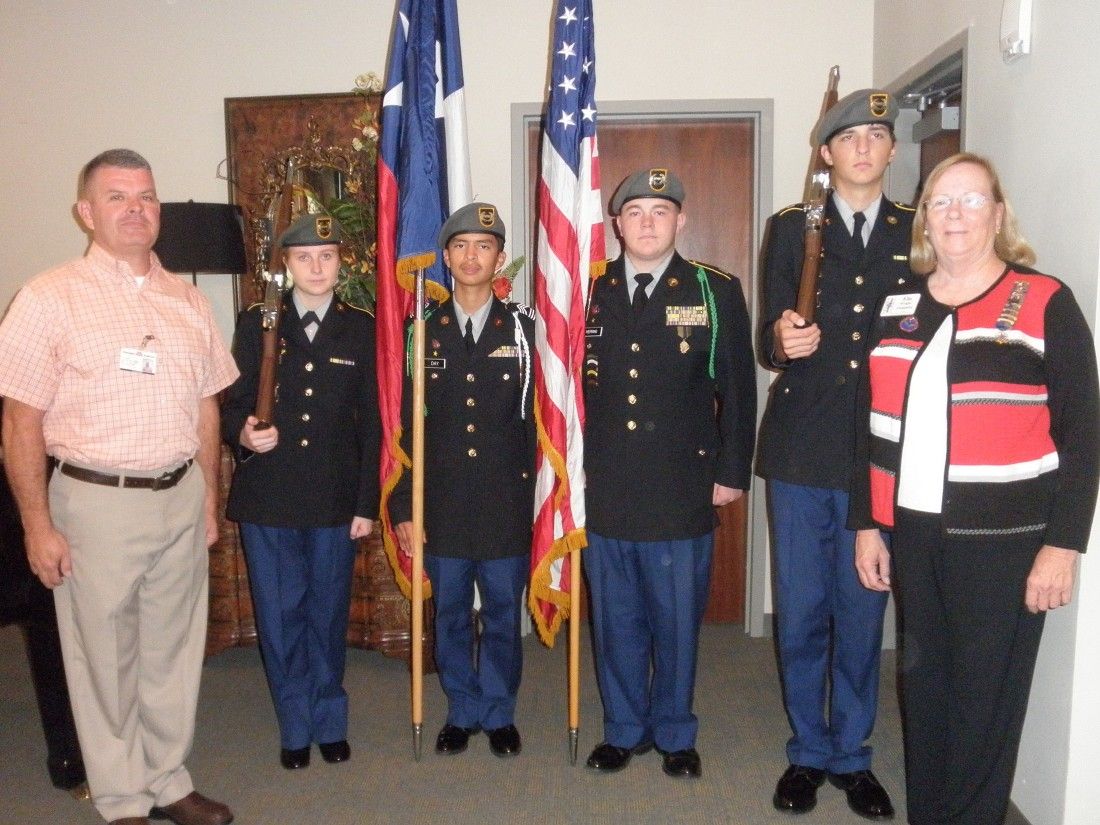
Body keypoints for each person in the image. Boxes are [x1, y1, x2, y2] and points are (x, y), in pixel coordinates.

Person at [851, 152, 1099, 825]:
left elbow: (1084, 438)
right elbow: (866, 424)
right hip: (913, 531)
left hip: (1006, 542)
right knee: (923, 689)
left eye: (969, 198)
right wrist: (869, 524)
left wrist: (1063, 545)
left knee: (984, 704)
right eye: (939, 200)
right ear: (924, 218)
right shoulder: (897, 303)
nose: (953, 212)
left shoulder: (1044, 300)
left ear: (997, 213)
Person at [0, 149, 237, 825]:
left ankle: (166, 778)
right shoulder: (47, 297)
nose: (136, 209)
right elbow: (20, 419)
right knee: (102, 656)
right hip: (95, 500)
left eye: (147, 196)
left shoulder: (188, 300)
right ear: (86, 213)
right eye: (117, 197)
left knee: (172, 650)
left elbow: (206, 408)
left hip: (180, 495)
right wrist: (35, 523)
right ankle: (123, 797)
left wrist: (209, 503)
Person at [756, 89, 912, 819]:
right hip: (799, 451)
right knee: (804, 609)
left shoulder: (916, 232)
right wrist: (781, 339)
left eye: (877, 134)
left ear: (889, 151)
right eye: (850, 135)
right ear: (826, 151)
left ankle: (853, 754)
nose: (864, 145)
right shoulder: (791, 227)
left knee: (862, 610)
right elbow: (765, 334)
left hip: (883, 451)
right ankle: (808, 751)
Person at [582, 168, 756, 780]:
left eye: (660, 211)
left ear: (681, 221)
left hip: (682, 487)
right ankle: (624, 728)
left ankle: (676, 731)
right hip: (605, 487)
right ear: (618, 224)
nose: (648, 223)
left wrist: (733, 469)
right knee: (616, 618)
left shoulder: (713, 290)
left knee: (676, 621)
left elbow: (736, 389)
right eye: (635, 213)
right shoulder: (588, 292)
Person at [221, 213, 380, 770]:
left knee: (328, 614)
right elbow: (231, 403)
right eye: (304, 257)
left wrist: (367, 505)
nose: (317, 266)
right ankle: (294, 724)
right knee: (279, 614)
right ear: (285, 265)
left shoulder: (363, 328)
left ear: (342, 263)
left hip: (334, 501)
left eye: (327, 255)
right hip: (269, 496)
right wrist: (243, 431)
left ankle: (328, 717)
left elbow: (374, 425)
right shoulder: (257, 324)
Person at [390, 202, 535, 759]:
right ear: (445, 257)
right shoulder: (417, 333)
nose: (471, 256)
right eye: (460, 246)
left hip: (504, 503)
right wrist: (405, 506)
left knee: (502, 611)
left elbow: (540, 424)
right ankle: (461, 709)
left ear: (500, 259)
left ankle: (499, 711)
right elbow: (400, 427)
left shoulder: (524, 330)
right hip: (440, 504)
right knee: (448, 613)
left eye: (484, 246)